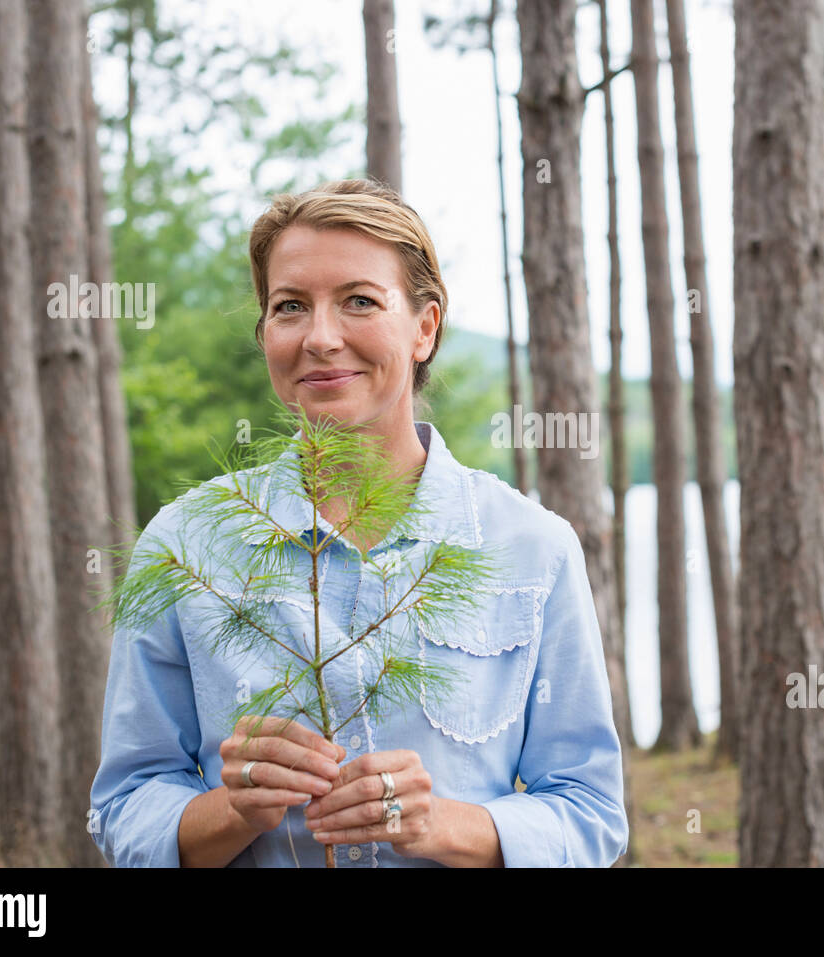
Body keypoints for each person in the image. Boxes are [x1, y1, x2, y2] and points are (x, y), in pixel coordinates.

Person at [89, 179, 628, 867]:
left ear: (424, 327)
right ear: (265, 334)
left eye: (360, 301)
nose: (320, 337)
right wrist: (234, 808)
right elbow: (123, 805)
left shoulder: (533, 547)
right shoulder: (184, 544)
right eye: (289, 307)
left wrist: (443, 824)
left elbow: (590, 813)